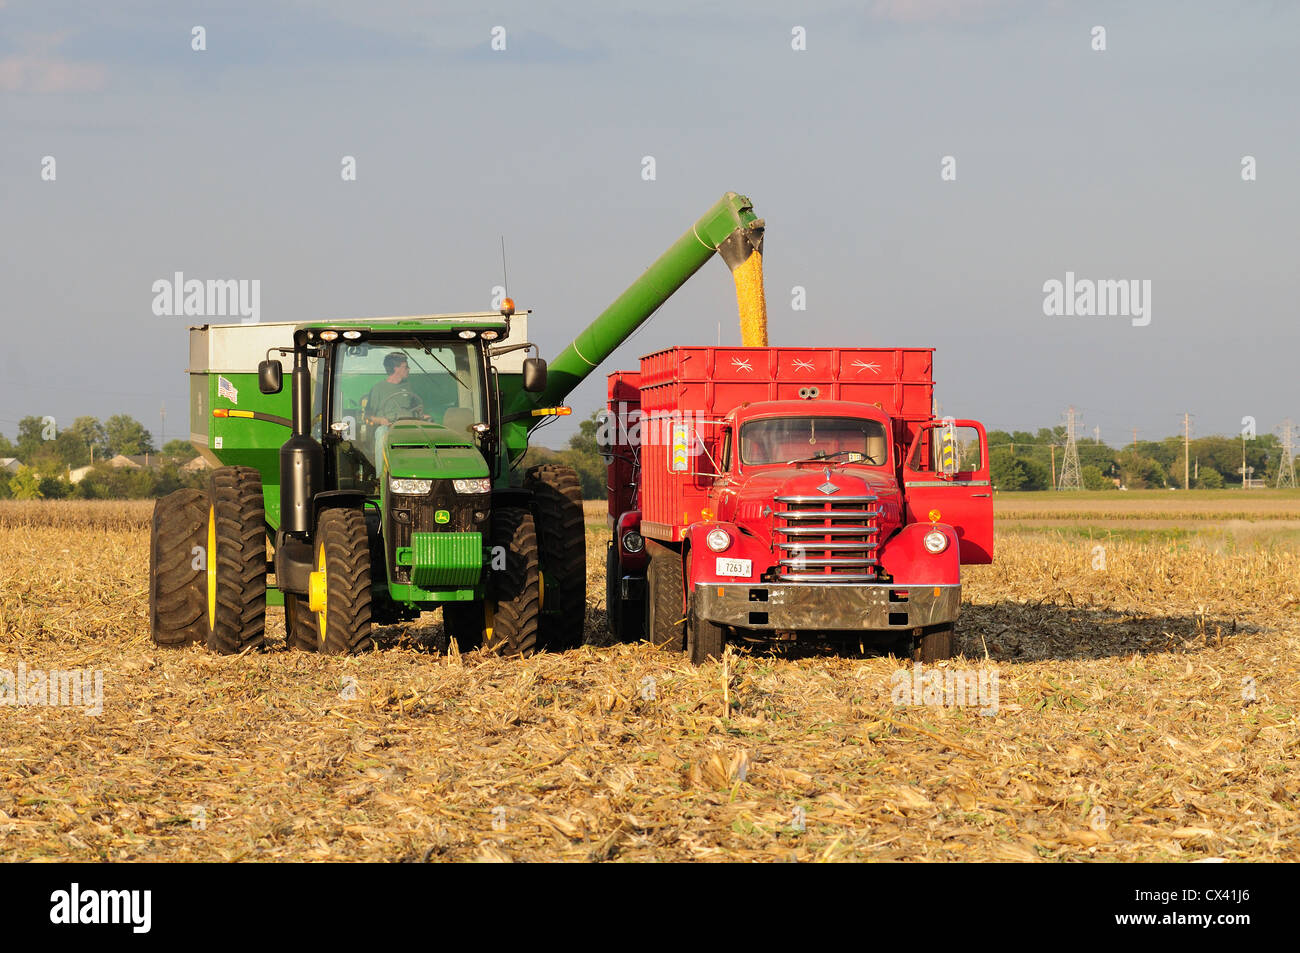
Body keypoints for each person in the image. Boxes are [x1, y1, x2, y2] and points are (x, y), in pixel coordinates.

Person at [365, 352, 425, 428]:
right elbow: (367, 416)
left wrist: (423, 416)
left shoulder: (408, 387)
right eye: (406, 367)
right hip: (387, 427)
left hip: (408, 425)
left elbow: (417, 409)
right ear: (396, 369)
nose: (409, 369)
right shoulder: (378, 388)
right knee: (382, 432)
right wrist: (380, 420)